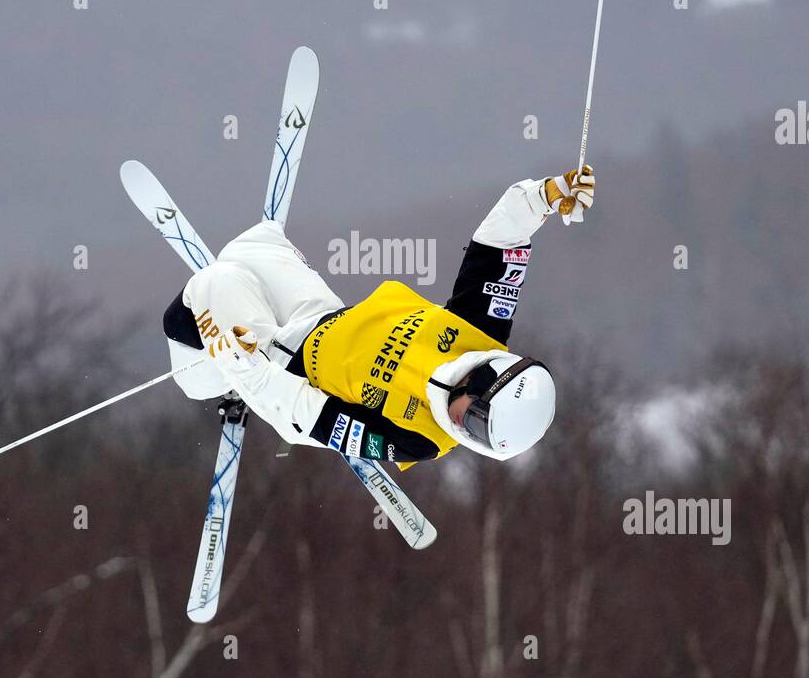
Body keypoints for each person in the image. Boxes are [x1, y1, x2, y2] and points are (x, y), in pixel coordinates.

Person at [161, 166, 594, 467]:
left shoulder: (420, 439)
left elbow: (309, 414)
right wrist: (545, 196)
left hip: (290, 372)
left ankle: (205, 371)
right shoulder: (479, 329)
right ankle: (227, 340)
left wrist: (249, 374)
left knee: (215, 282)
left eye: (478, 440)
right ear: (483, 379)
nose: (465, 432)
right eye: (477, 420)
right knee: (258, 243)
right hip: (325, 321)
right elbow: (501, 241)